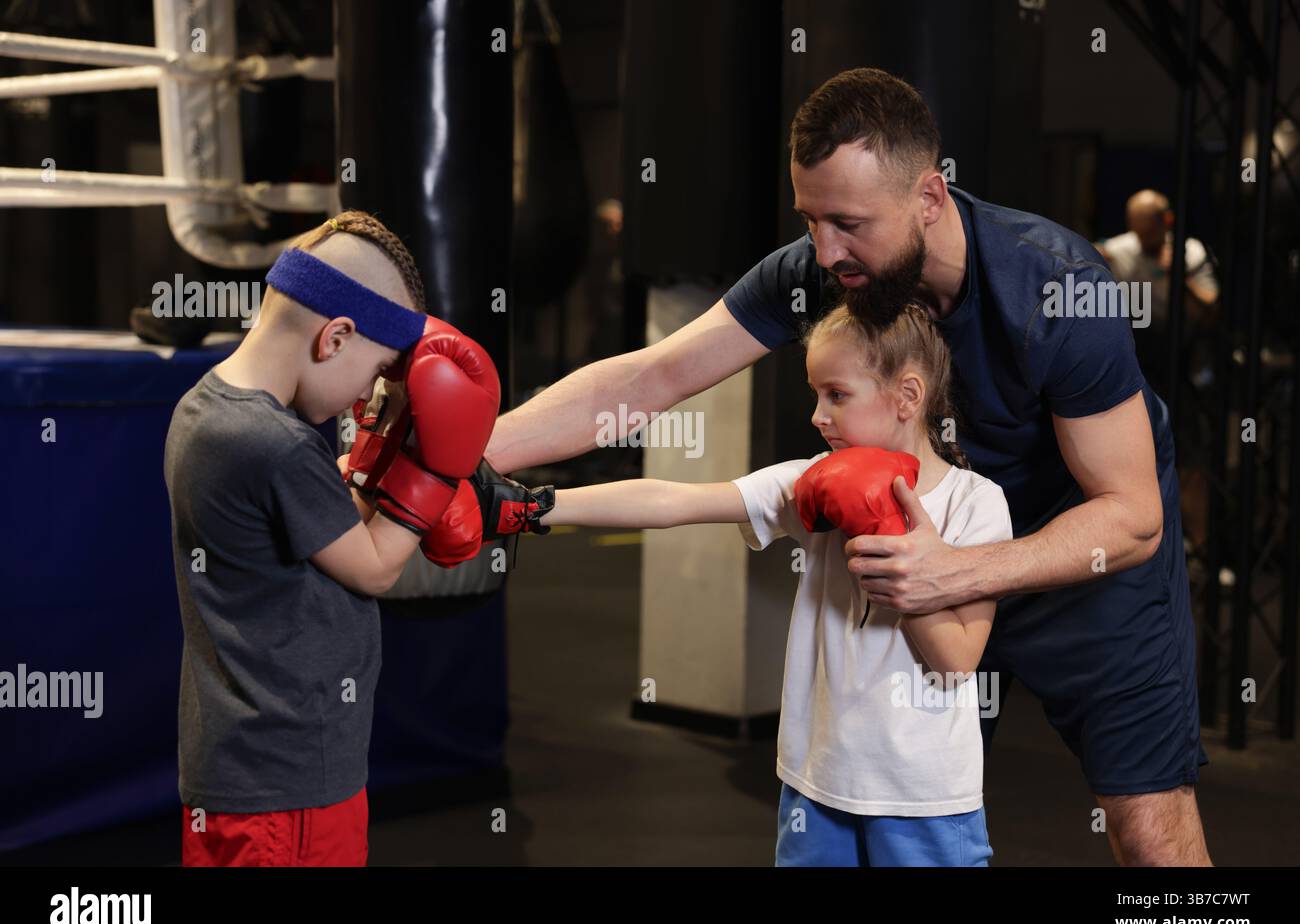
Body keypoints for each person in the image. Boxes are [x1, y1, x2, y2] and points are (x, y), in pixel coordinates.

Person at [468, 68, 1213, 865]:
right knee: (912, 792)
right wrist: (465, 454)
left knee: (1147, 826)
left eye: (850, 222)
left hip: (1084, 560)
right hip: (925, 558)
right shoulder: (818, 273)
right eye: (811, 219)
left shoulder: (1055, 289)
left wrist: (956, 571)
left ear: (929, 197)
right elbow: (650, 378)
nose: (826, 250)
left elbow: (1133, 515)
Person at [480, 301, 1012, 866]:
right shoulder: (811, 483)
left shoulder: (974, 504)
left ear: (907, 395)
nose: (817, 415)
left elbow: (956, 660)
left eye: (836, 394)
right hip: (816, 785)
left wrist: (888, 538)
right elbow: (675, 502)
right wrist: (532, 507)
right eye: (814, 395)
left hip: (924, 801)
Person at [163, 211, 497, 866]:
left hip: (236, 768)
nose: (368, 397)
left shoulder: (206, 409)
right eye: (376, 372)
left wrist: (379, 451)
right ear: (335, 337)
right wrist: (434, 467)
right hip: (290, 788)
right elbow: (373, 567)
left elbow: (327, 523)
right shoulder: (276, 443)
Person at [1098, 189, 1219, 553]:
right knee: (1132, 458)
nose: (1140, 240)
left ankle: (1198, 549)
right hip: (1136, 363)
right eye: (1135, 231)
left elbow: (1211, 314)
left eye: (1147, 231)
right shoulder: (1121, 248)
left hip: (1184, 365)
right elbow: (1091, 252)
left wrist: (1175, 274)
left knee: (1191, 461)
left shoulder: (1191, 253)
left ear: (1165, 223)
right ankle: (1139, 547)